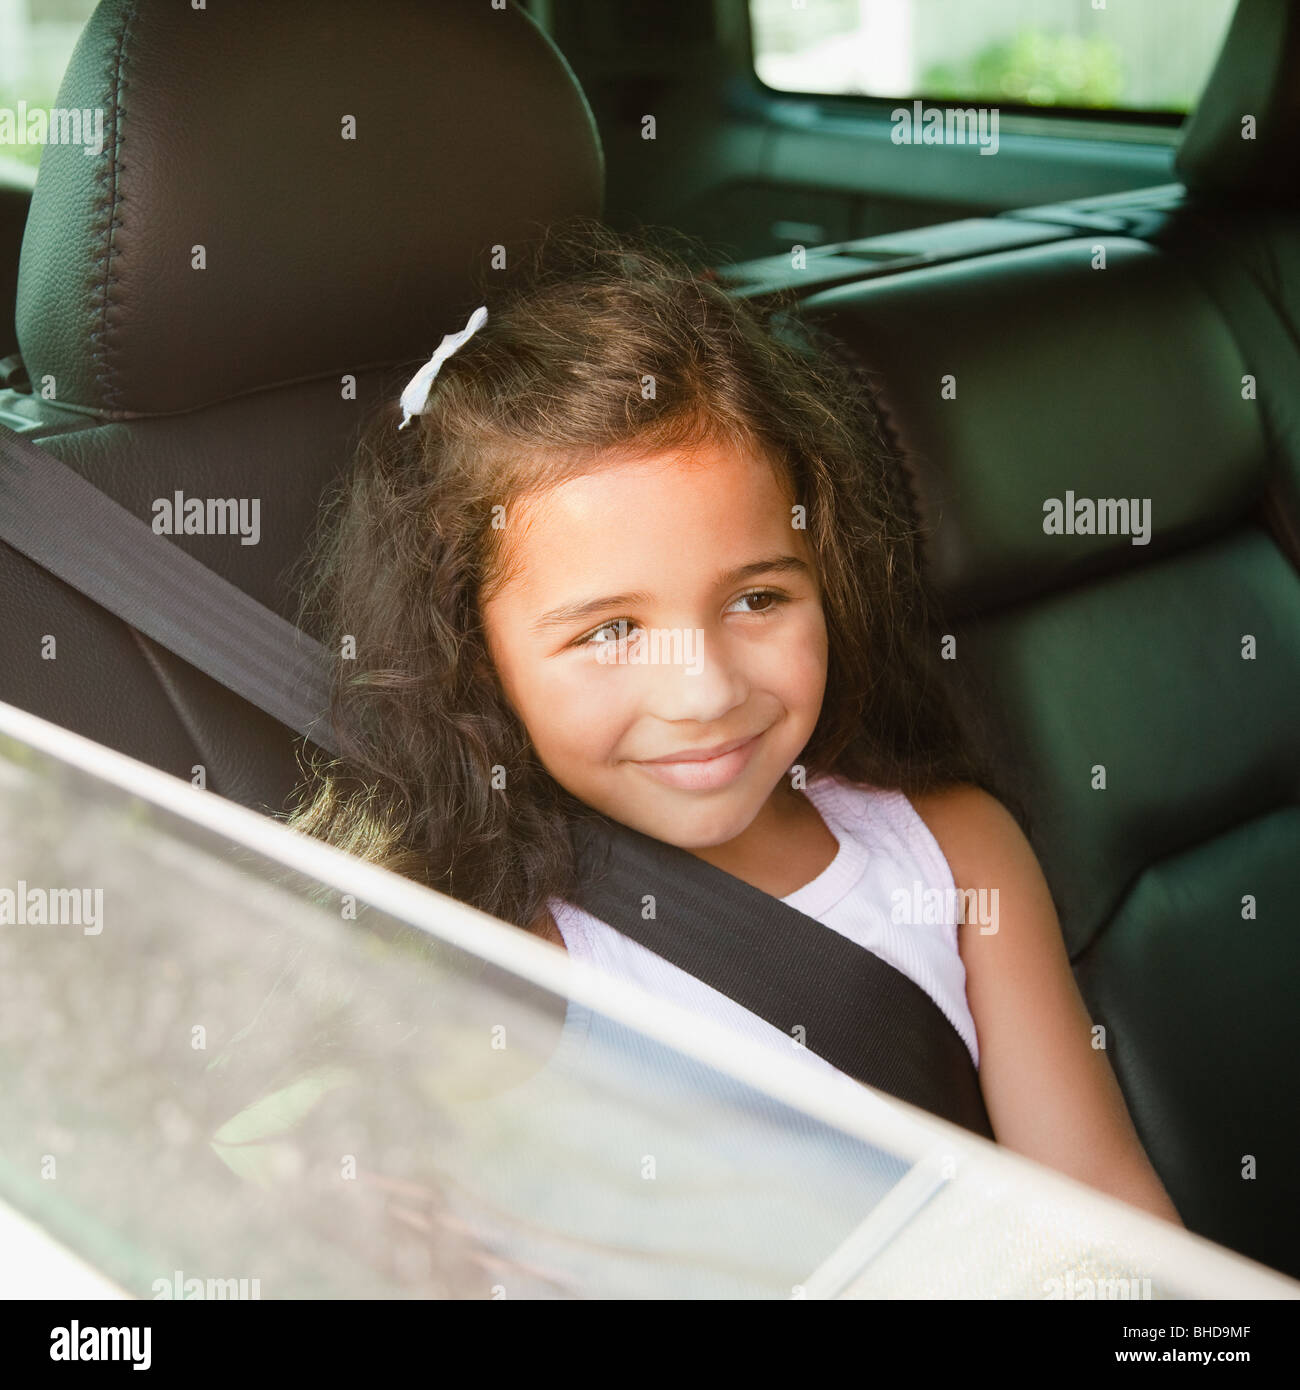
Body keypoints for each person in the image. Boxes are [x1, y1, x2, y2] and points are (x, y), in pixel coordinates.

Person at [282, 214, 1182, 1231]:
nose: (703, 689)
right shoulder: (474, 959)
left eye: (756, 600)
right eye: (611, 629)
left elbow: (1107, 1223)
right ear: (473, 652)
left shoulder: (955, 853)